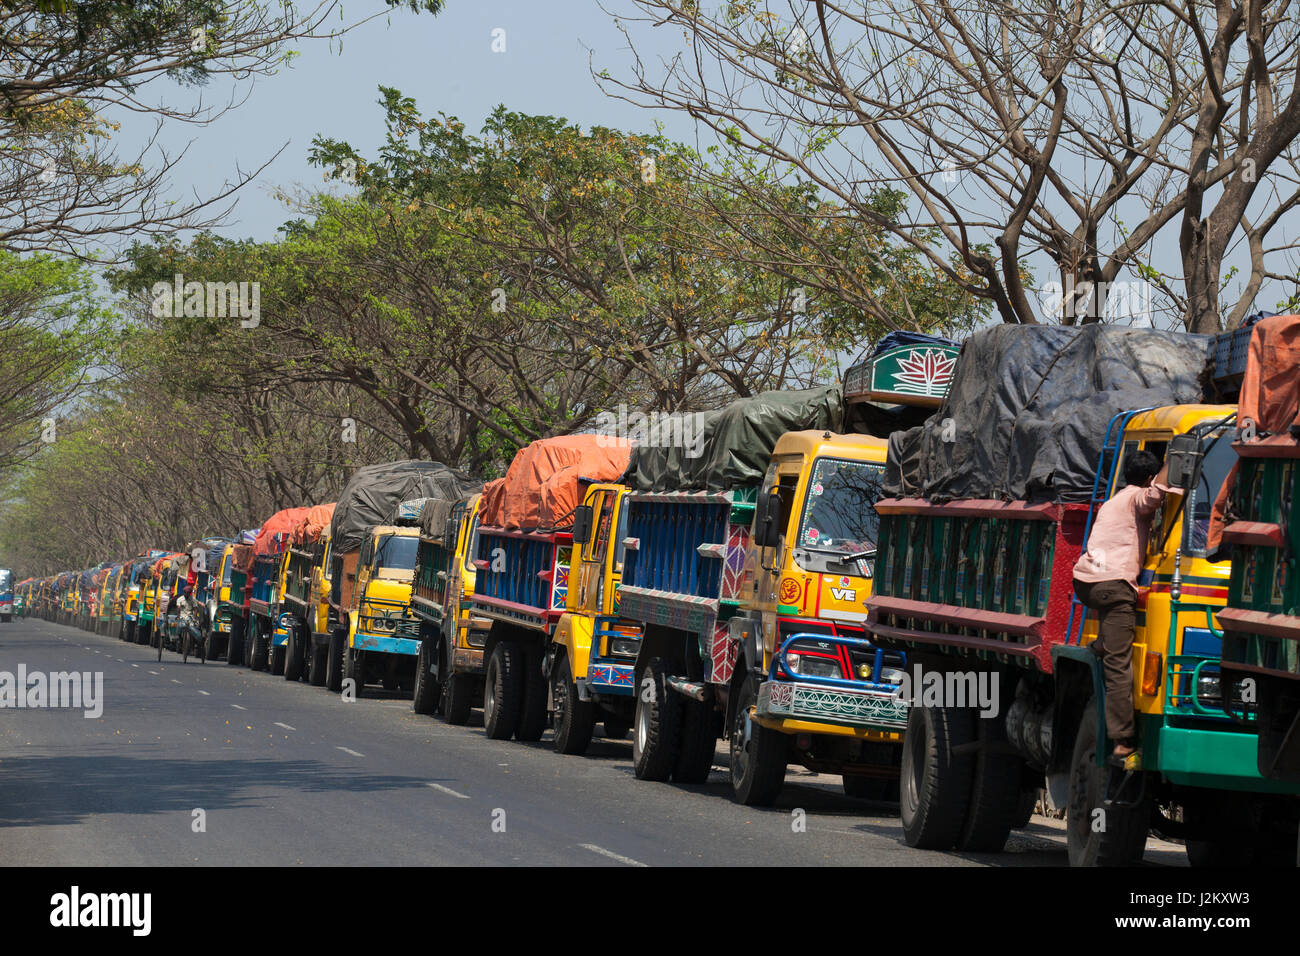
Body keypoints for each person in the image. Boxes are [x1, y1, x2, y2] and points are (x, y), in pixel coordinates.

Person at [1072, 450, 1182, 763]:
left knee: (1111, 641)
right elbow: (1152, 497)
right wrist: (1173, 465)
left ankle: (1102, 644)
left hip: (1086, 583)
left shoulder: (1113, 500)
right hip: (1113, 585)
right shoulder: (1136, 498)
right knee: (1119, 665)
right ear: (1148, 477)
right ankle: (1122, 740)